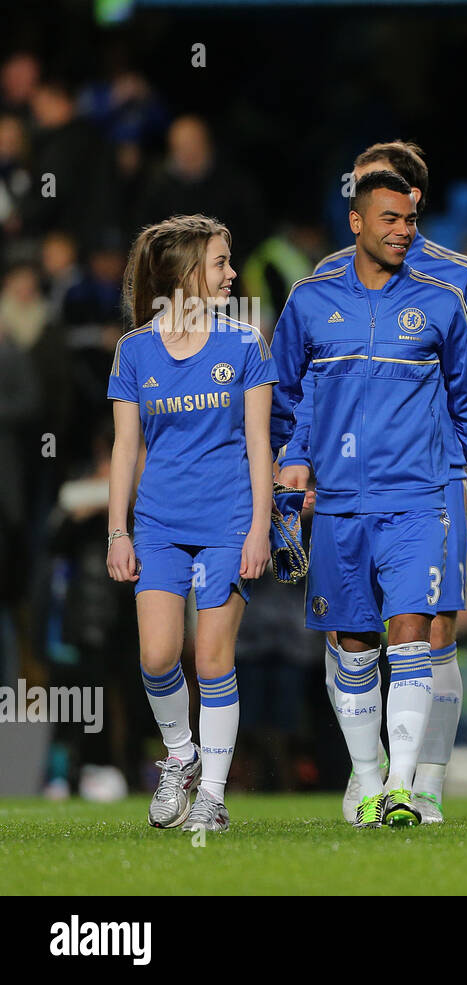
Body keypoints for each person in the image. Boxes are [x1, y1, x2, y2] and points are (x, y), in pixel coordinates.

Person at [270, 169, 467, 828]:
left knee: (412, 630)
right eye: (390, 219)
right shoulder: (310, 300)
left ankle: (403, 785)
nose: (403, 230)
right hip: (340, 503)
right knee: (352, 645)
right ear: (356, 222)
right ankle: (368, 779)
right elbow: (285, 396)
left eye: (410, 220)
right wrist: (288, 467)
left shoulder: (440, 299)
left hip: (421, 496)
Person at [107, 214, 276, 832]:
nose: (233, 274)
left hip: (229, 519)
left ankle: (212, 793)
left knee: (211, 659)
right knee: (156, 656)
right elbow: (127, 449)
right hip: (158, 522)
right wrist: (117, 531)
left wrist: (260, 526)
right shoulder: (134, 350)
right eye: (221, 263)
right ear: (184, 275)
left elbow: (261, 445)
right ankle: (180, 756)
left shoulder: (244, 343)